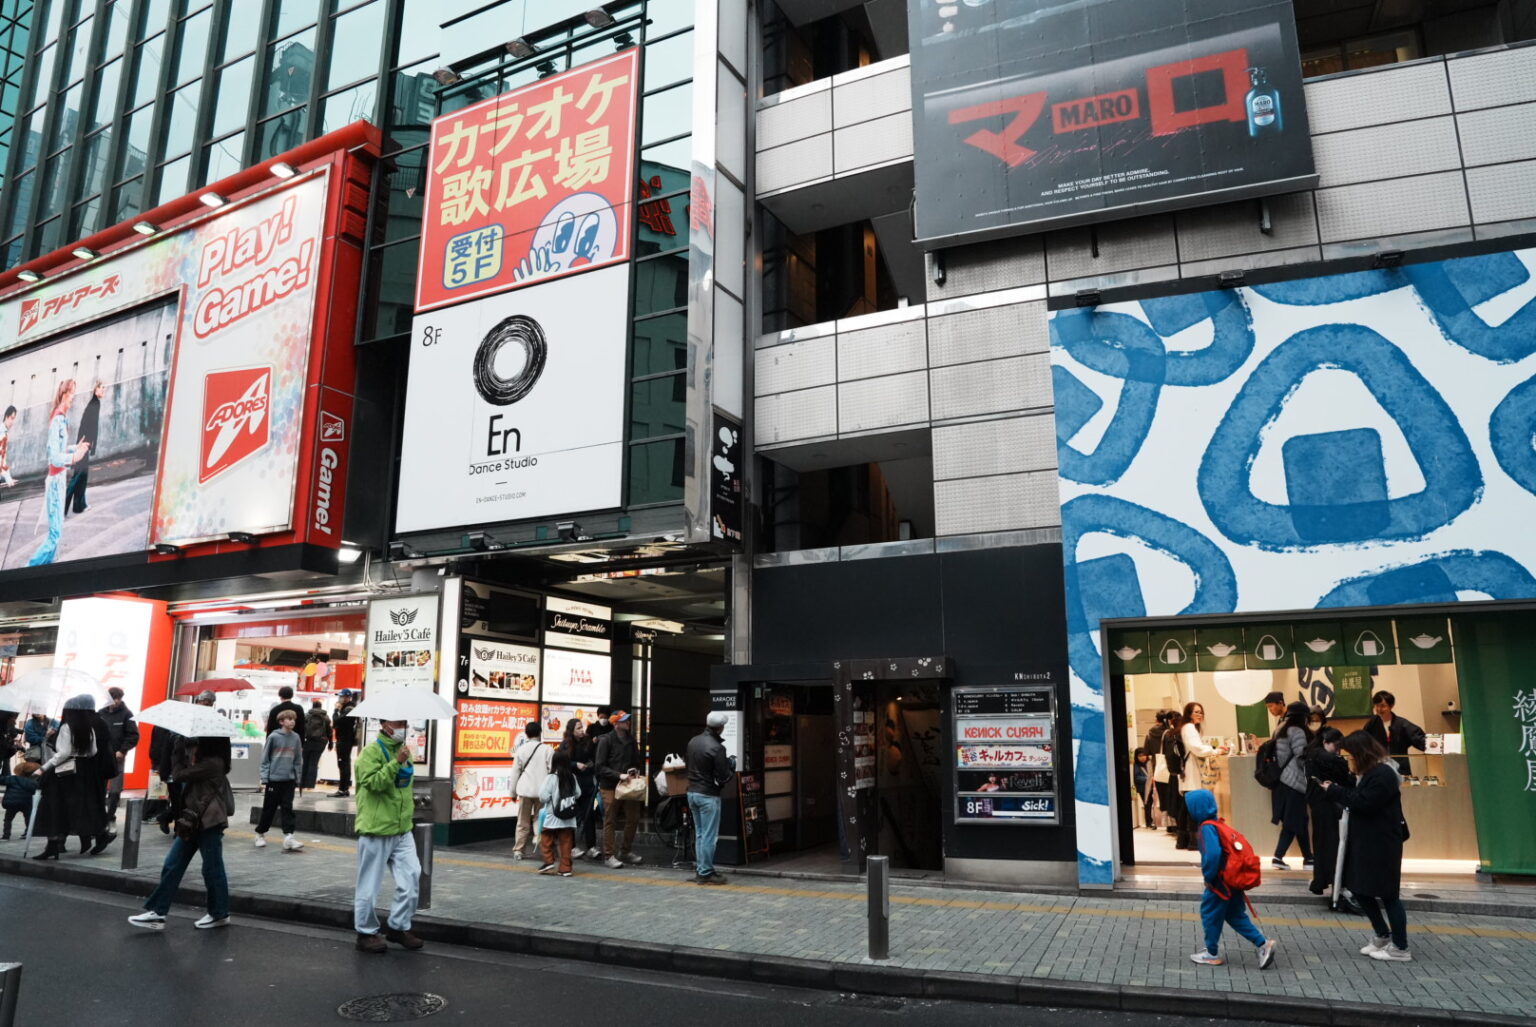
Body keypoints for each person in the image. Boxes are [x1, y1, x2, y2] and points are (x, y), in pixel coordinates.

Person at [1321, 731, 1412, 962]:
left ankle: (1400, 947)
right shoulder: (1371, 772)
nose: (1349, 760)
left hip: (1382, 843)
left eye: (1351, 755)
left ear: (1361, 754)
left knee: (1389, 894)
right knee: (1359, 889)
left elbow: (1364, 803)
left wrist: (1335, 791)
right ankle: (1382, 935)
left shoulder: (1383, 774)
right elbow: (1361, 798)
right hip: (1367, 841)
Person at [127, 735, 234, 930]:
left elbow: (178, 775)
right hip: (193, 820)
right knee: (173, 863)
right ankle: (158, 913)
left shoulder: (212, 763)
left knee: (212, 868)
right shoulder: (204, 760)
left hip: (209, 821)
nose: (195, 742)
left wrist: (176, 751)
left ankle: (219, 913)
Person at [1184, 788, 1277, 969]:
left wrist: (1209, 877)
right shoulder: (1218, 824)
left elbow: (1212, 855)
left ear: (1196, 808)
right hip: (1232, 880)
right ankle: (1263, 944)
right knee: (1234, 915)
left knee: (1210, 914)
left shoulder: (1206, 828)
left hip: (1220, 882)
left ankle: (1211, 953)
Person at [352, 718, 423, 953]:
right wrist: (396, 763)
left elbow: (403, 786)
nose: (404, 726)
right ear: (385, 724)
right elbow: (372, 784)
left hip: (402, 828)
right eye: (399, 722)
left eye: (406, 721)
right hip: (376, 828)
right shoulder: (370, 753)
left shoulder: (403, 751)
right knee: (369, 885)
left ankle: (398, 926)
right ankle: (365, 932)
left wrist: (400, 759)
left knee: (412, 877)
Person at [31, 696, 111, 858]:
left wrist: (43, 768)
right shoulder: (88, 727)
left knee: (54, 806)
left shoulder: (67, 727)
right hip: (84, 771)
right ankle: (97, 834)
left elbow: (64, 753)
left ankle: (53, 845)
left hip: (64, 773)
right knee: (80, 807)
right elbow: (93, 751)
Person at [27, 379, 90, 566]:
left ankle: (45, 569)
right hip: (56, 480)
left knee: (57, 532)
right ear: (64, 395)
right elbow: (54, 456)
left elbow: (60, 448)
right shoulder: (57, 419)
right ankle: (29, 569)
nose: (73, 398)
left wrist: (73, 448)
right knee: (55, 535)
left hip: (59, 478)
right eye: (72, 394)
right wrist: (74, 457)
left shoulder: (62, 417)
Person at [686, 710, 736, 885]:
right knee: (709, 835)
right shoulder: (717, 748)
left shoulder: (693, 741)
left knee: (700, 834)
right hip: (708, 794)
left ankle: (702, 869)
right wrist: (731, 765)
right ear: (720, 728)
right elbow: (723, 776)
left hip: (692, 792)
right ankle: (706, 872)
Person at [1303, 726, 1350, 897]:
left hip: (1318, 803)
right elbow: (1341, 766)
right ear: (1325, 742)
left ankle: (1321, 880)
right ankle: (1331, 879)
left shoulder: (1311, 753)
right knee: (1330, 842)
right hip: (1326, 803)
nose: (1337, 751)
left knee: (1322, 842)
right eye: (1336, 746)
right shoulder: (1320, 755)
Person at [595, 711, 644, 868]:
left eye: (628, 720)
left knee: (634, 818)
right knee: (610, 820)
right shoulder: (606, 740)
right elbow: (599, 766)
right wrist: (618, 775)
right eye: (624, 721)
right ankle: (609, 855)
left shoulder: (631, 740)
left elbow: (637, 760)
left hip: (628, 785)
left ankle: (625, 851)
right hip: (610, 786)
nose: (628, 722)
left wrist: (635, 770)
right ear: (615, 724)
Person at [1177, 703, 1227, 851]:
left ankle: (1183, 841)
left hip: (1187, 773)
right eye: (1196, 712)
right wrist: (1215, 750)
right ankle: (1193, 842)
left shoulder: (1186, 727)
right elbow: (1197, 749)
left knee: (1186, 808)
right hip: (1191, 773)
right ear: (1189, 714)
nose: (1199, 715)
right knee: (1194, 808)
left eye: (1201, 712)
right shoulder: (1190, 728)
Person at [1271, 700, 1313, 871]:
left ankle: (1308, 858)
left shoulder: (1280, 730)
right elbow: (1301, 757)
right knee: (1292, 821)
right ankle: (1278, 857)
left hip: (1282, 782)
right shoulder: (1297, 731)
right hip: (1294, 782)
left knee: (1300, 820)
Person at [255, 709, 304, 851]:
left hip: (289, 780)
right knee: (269, 809)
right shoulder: (273, 737)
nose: (292, 721)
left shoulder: (296, 738)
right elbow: (265, 759)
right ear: (281, 722)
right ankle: (260, 833)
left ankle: (289, 837)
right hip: (274, 779)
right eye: (288, 719)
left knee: (287, 808)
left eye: (293, 719)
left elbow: (297, 760)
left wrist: (297, 777)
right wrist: (265, 777)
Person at [508, 721, 552, 859]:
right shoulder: (547, 749)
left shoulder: (521, 750)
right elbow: (552, 771)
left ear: (526, 734)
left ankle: (518, 850)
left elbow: (515, 772)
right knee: (540, 818)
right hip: (542, 791)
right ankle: (537, 838)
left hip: (525, 791)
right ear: (540, 733)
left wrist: (512, 793)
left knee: (522, 821)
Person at [557, 715, 599, 859]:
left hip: (587, 784)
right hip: (572, 785)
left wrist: (590, 765)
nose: (582, 731)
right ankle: (572, 847)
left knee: (589, 816)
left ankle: (591, 847)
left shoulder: (588, 742)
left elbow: (594, 758)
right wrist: (575, 765)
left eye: (582, 727)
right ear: (572, 730)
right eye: (579, 728)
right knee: (571, 816)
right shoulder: (565, 745)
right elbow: (560, 762)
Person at [97, 686, 140, 820]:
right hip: (101, 757)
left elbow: (133, 736)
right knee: (99, 788)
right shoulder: (100, 713)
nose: (116, 701)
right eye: (113, 699)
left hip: (117, 758)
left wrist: (122, 750)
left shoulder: (127, 714)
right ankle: (99, 815)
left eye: (118, 699)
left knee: (115, 790)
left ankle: (110, 815)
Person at [537, 748, 580, 876]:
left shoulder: (551, 777)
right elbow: (578, 793)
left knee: (546, 836)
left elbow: (543, 796)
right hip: (568, 815)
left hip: (553, 815)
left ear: (554, 762)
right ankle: (565, 868)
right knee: (566, 841)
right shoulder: (572, 777)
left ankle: (549, 861)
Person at [1364, 691, 1427, 775]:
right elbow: (1362, 741)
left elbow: (1419, 738)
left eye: (1383, 706)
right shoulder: (1372, 723)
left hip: (1400, 768)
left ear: (1391, 706)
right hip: (1378, 768)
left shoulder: (1402, 724)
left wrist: (1435, 745)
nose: (1379, 709)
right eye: (1376, 705)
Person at [64, 380, 103, 515]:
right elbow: (87, 424)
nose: (103, 391)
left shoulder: (95, 403)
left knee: (82, 476)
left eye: (104, 389)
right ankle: (62, 510)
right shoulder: (94, 404)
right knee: (77, 477)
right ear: (95, 390)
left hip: (85, 444)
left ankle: (79, 506)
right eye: (101, 388)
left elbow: (88, 425)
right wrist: (84, 443)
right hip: (84, 445)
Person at [1160, 710, 1186, 843]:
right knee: (1182, 803)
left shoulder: (1167, 734)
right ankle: (1182, 832)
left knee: (1174, 802)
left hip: (1172, 773)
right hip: (1181, 774)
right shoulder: (1180, 735)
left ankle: (1176, 829)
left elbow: (1165, 753)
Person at [330, 690, 359, 797]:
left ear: (348, 697)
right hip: (344, 739)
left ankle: (343, 789)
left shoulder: (349, 709)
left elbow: (337, 721)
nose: (339, 699)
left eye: (341, 697)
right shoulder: (347, 708)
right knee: (344, 764)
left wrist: (335, 710)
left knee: (343, 764)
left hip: (345, 740)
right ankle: (344, 788)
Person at [1, 759, 40, 839]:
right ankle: (27, 833)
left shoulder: (12, 778)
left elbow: (1, 780)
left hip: (12, 802)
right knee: (28, 818)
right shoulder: (33, 782)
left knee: (8, 819)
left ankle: (6, 835)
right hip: (26, 803)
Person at [301, 699, 332, 792]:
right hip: (320, 743)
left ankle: (302, 784)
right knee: (314, 763)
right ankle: (310, 786)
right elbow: (329, 731)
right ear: (320, 706)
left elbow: (302, 729)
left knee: (305, 762)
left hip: (307, 741)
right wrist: (330, 743)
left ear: (312, 706)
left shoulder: (307, 715)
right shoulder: (326, 717)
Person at [1133, 748, 1153, 828]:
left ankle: (1151, 821)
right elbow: (1137, 777)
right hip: (1143, 789)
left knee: (1150, 804)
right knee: (1147, 804)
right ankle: (1149, 822)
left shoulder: (1149, 763)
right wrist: (1148, 779)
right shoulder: (1136, 766)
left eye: (1144, 755)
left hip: (1151, 787)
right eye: (1140, 756)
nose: (1142, 757)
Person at [0, 404, 18, 488]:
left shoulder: (4, 432)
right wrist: (8, 478)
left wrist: (9, 477)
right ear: (6, 417)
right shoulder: (2, 434)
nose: (12, 422)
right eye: (12, 418)